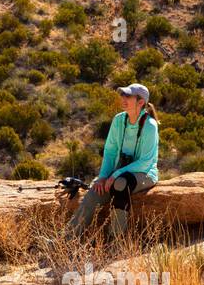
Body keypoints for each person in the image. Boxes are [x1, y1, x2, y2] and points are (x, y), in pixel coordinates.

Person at [64, 83, 159, 240]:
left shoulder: (150, 125)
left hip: (144, 173)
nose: (123, 98)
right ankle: (66, 239)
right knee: (95, 190)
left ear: (140, 102)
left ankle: (115, 240)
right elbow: (110, 152)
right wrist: (103, 177)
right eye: (123, 95)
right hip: (117, 173)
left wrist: (116, 174)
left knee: (120, 184)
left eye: (128, 96)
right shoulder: (118, 120)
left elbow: (145, 162)